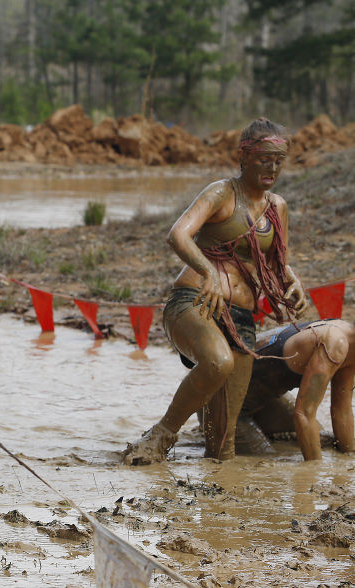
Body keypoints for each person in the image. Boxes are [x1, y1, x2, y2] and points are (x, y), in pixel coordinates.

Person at [123, 118, 308, 465]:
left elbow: (276, 262)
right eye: (263, 158)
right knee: (217, 362)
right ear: (244, 156)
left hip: (241, 320)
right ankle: (159, 437)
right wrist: (207, 269)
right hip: (195, 302)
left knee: (223, 446)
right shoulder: (222, 193)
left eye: (278, 161)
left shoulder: (277, 207)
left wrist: (291, 281)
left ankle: (217, 500)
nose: (271, 167)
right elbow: (178, 234)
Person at [235, 319, 355, 460]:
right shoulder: (335, 343)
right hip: (229, 402)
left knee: (320, 437)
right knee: (270, 461)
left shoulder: (349, 341)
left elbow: (341, 410)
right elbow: (303, 413)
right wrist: (315, 473)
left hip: (261, 397)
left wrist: (349, 456)